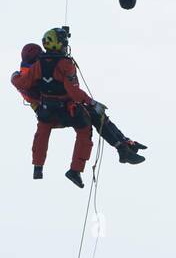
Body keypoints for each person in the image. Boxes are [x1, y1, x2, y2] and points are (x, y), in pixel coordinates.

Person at [10, 27, 147, 188]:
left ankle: (38, 168)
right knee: (88, 125)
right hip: (65, 111)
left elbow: (21, 82)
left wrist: (14, 77)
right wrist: (92, 103)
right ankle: (79, 168)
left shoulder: (34, 68)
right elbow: (73, 91)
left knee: (43, 133)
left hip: (46, 113)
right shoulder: (62, 64)